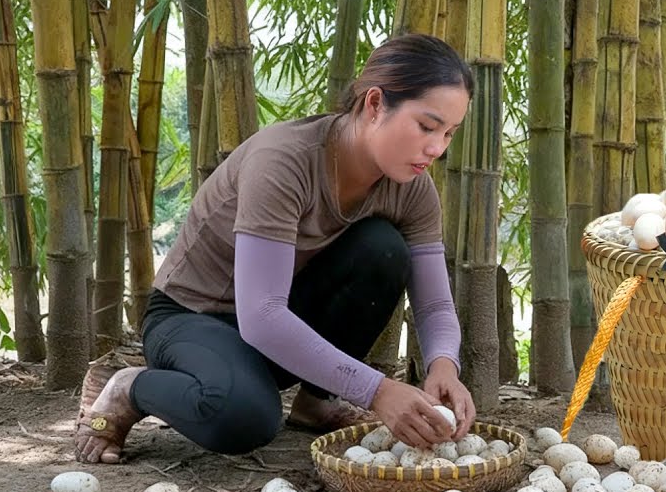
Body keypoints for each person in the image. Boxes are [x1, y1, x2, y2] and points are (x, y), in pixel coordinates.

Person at [74, 33, 477, 464]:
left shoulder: (412, 190)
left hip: (278, 324)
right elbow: (261, 316)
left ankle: (315, 402)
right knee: (244, 417)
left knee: (383, 249)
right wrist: (376, 391)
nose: (436, 149)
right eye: (427, 126)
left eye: (449, 134)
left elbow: (434, 306)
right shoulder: (284, 161)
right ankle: (129, 387)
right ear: (375, 103)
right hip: (194, 319)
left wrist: (443, 366)